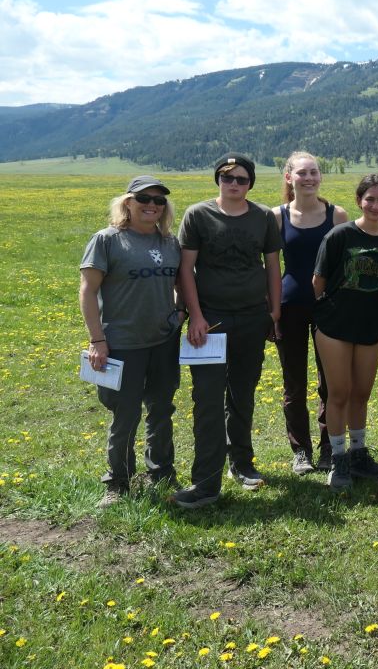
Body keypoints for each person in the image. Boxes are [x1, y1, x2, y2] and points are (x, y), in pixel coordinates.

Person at [172, 153, 283, 509]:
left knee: (242, 394)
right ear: (217, 180)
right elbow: (186, 270)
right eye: (227, 177)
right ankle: (206, 482)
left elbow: (272, 266)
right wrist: (196, 315)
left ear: (251, 183)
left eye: (241, 179)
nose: (234, 184)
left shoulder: (263, 217)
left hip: (252, 318)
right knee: (206, 399)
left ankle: (243, 464)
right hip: (212, 320)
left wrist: (274, 312)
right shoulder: (198, 215)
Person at [79, 176, 182, 507]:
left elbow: (181, 283)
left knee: (162, 409)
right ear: (127, 202)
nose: (152, 204)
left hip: (163, 342)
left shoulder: (169, 243)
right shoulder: (107, 240)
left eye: (159, 200)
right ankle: (118, 481)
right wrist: (97, 340)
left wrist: (179, 314)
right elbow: (88, 291)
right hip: (122, 343)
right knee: (125, 414)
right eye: (143, 198)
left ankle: (162, 472)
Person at [312, 174, 378, 489]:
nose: (375, 206)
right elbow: (318, 282)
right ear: (359, 200)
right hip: (335, 325)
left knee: (361, 393)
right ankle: (338, 460)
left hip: (370, 325)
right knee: (338, 393)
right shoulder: (340, 235)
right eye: (370, 199)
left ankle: (359, 454)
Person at [274, 151, 348, 474]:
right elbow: (270, 267)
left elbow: (344, 267)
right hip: (290, 306)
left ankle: (329, 446)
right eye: (301, 173)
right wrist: (272, 309)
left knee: (330, 382)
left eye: (314, 172)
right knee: (294, 382)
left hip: (328, 307)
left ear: (321, 177)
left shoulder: (337, 215)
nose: (309, 178)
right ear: (289, 178)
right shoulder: (276, 217)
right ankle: (300, 451)